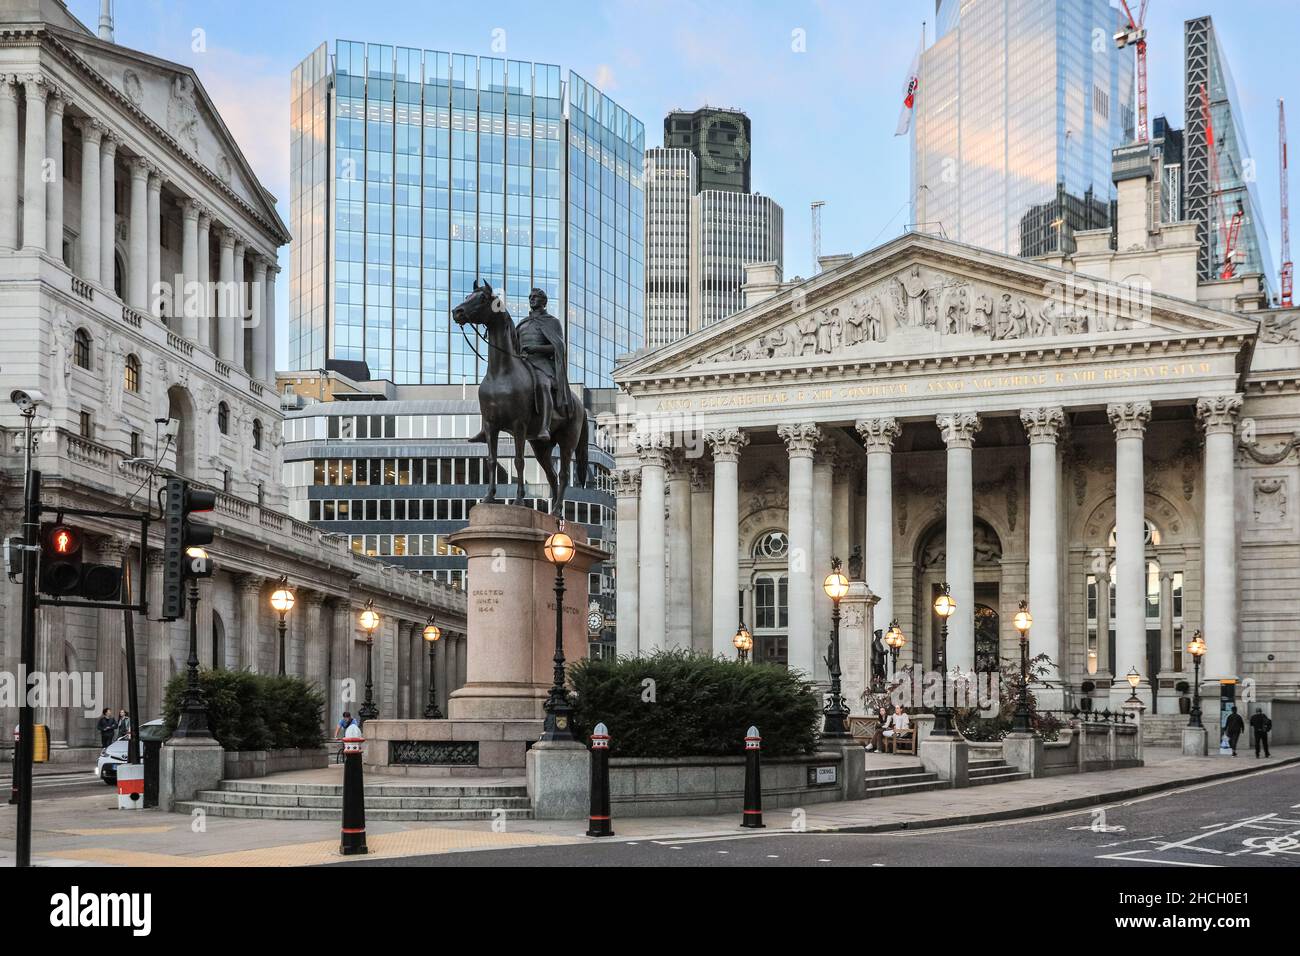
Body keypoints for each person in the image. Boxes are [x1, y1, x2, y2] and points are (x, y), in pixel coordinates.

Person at [514, 288, 573, 442]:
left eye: (536, 297)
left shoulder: (552, 322)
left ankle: (544, 426)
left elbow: (559, 347)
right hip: (522, 363)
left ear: (544, 302)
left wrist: (536, 349)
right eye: (530, 296)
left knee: (542, 384)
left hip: (542, 363)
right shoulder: (522, 323)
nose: (532, 299)